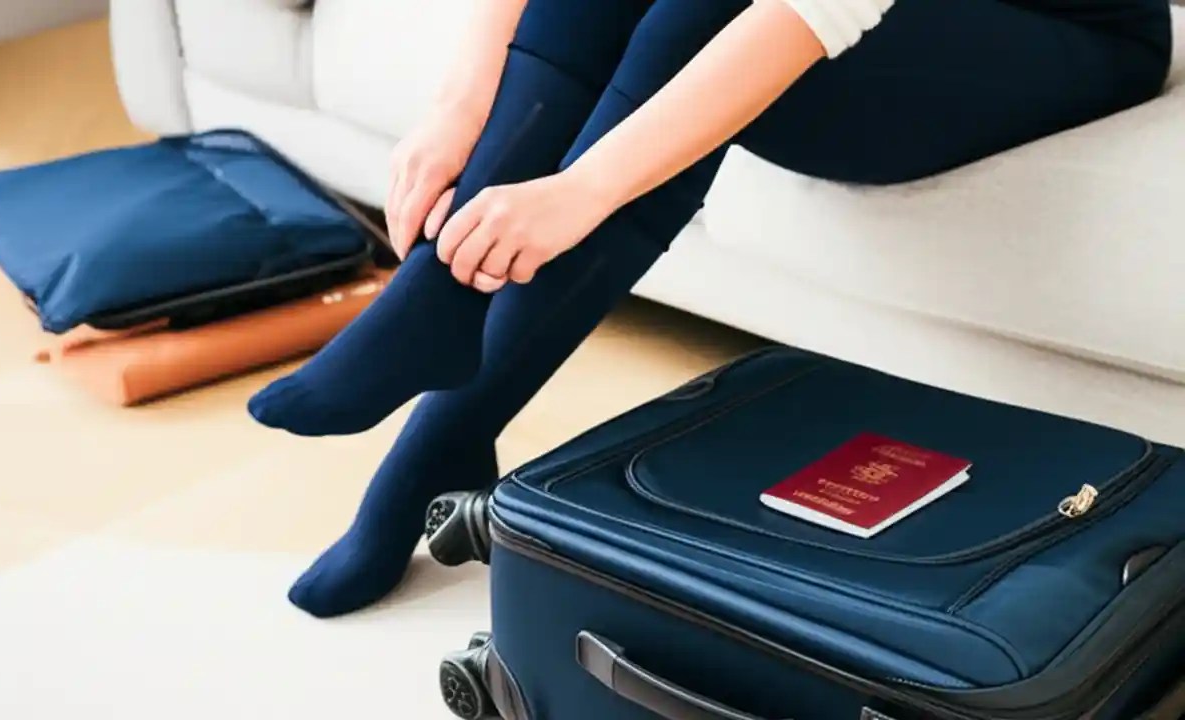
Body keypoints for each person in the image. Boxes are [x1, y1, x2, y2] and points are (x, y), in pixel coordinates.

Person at [247, 0, 1173, 617]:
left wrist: (583, 190)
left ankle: (437, 409)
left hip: (1061, 29)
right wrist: (457, 107)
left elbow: (814, 5)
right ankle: (439, 338)